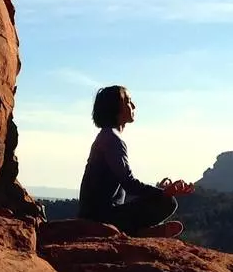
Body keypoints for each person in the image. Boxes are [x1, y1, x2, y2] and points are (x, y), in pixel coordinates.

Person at [78, 85, 194, 237]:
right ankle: (138, 232)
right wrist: (163, 192)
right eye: (128, 101)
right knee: (167, 202)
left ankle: (139, 231)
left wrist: (156, 190)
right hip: (101, 217)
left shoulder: (107, 136)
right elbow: (130, 184)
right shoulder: (111, 139)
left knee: (161, 198)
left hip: (98, 213)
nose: (133, 105)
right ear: (115, 107)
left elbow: (127, 184)